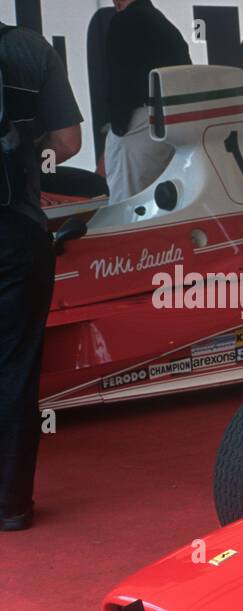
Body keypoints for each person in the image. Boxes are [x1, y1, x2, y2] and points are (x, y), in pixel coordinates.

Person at [0, 22, 82, 532]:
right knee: (15, 368)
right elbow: (68, 142)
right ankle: (10, 505)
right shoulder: (30, 49)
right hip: (17, 231)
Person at [105, 0, 189, 202]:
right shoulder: (166, 26)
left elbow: (118, 81)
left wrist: (119, 128)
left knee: (128, 208)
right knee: (161, 207)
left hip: (138, 123)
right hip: (171, 124)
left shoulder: (124, 21)